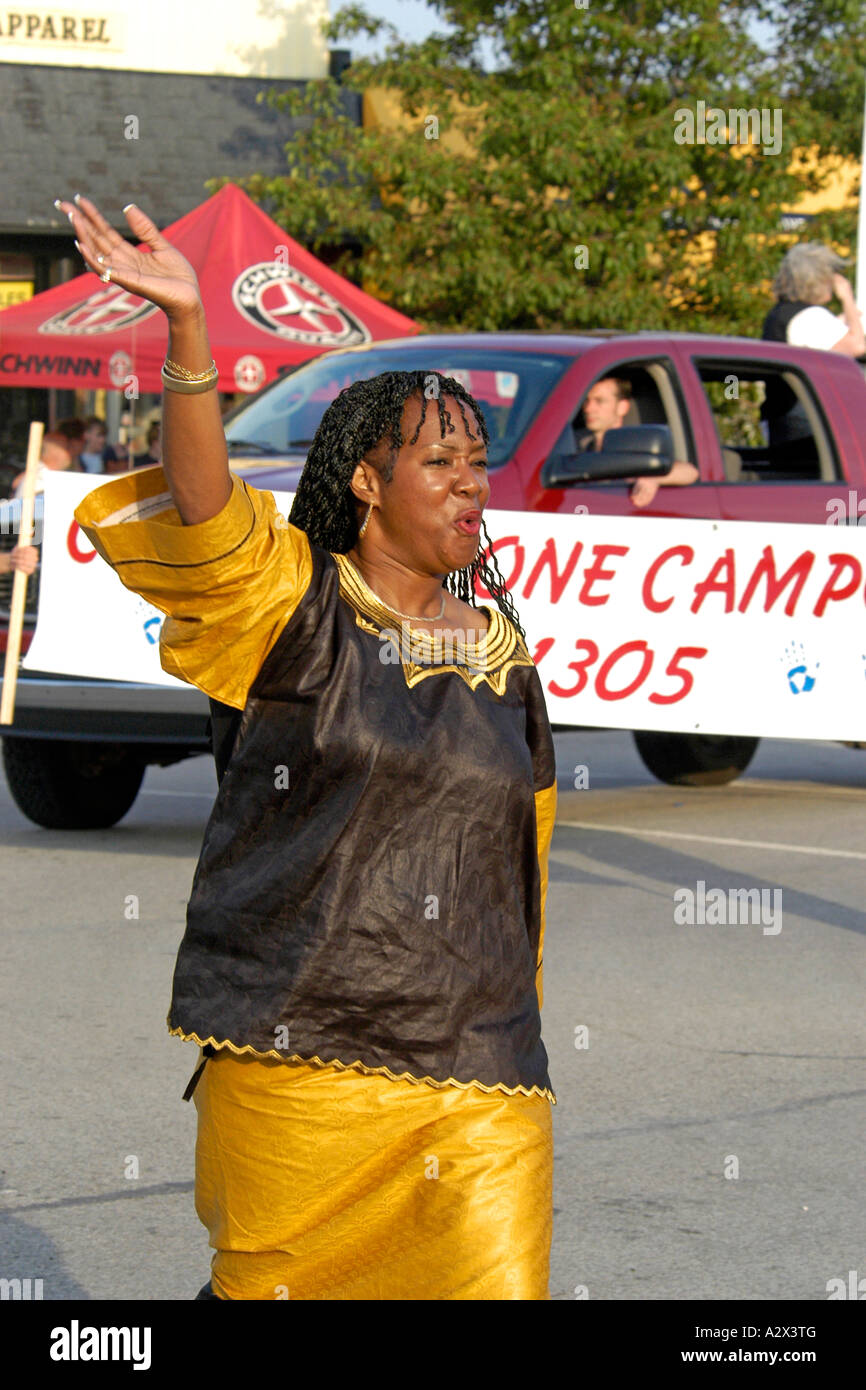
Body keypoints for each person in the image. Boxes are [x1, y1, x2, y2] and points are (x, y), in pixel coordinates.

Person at [67, 192, 557, 1302]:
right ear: (364, 483)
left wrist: (520, 1023)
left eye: (478, 463)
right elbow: (205, 508)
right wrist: (188, 336)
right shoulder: (290, 607)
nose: (469, 485)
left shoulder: (502, 642)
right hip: (300, 1059)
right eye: (437, 463)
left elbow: (520, 862)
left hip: (478, 1065)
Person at [761, 243, 866, 447]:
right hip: (805, 424)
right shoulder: (809, 317)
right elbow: (857, 346)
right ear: (817, 279)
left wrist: (843, 319)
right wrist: (847, 299)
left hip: (783, 419)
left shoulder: (781, 313)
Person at [576, 376, 699, 507]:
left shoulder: (636, 444)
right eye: (587, 400)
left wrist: (653, 478)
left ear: (622, 407)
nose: (588, 408)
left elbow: (690, 472)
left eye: (599, 401)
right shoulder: (575, 443)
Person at [11, 431, 74, 496]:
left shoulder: (37, 473)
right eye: (67, 448)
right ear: (55, 452)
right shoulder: (41, 479)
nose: (71, 453)